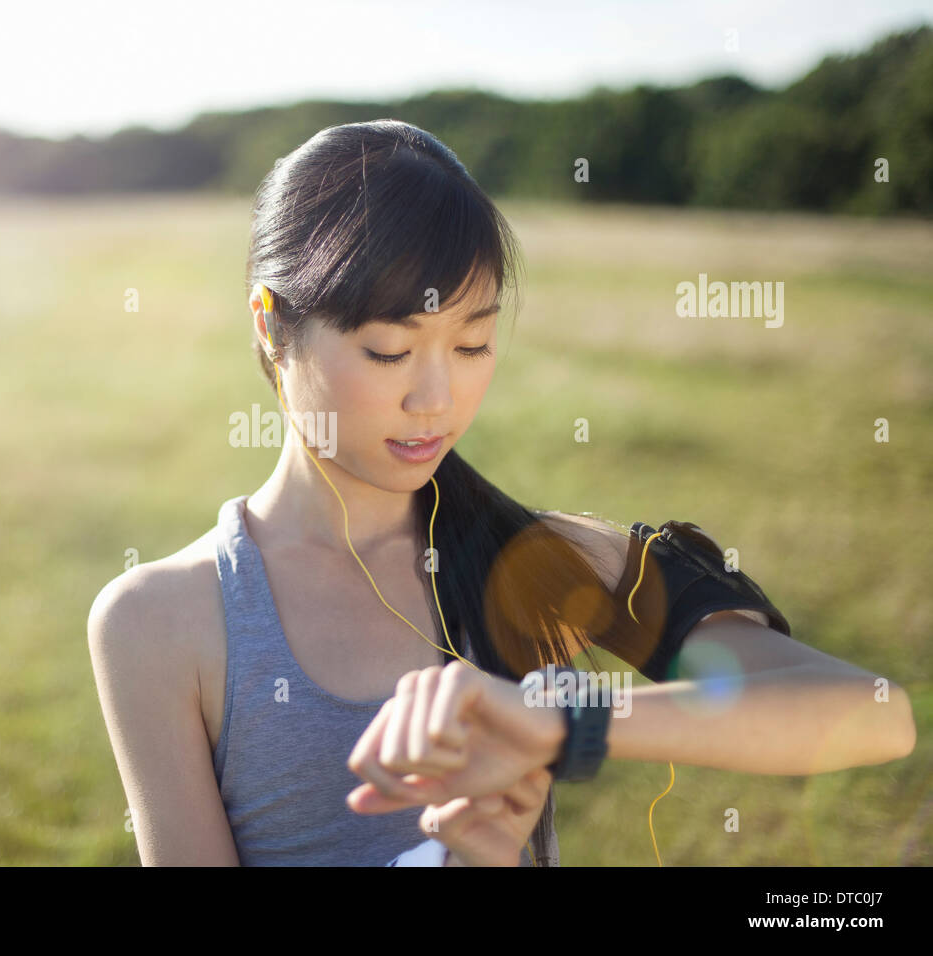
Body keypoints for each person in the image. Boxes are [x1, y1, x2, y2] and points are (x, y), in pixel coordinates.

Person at [87, 119, 916, 866]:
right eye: (388, 350)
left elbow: (875, 715)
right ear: (270, 324)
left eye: (475, 343)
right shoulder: (161, 622)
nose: (436, 400)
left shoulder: (541, 558)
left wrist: (561, 722)